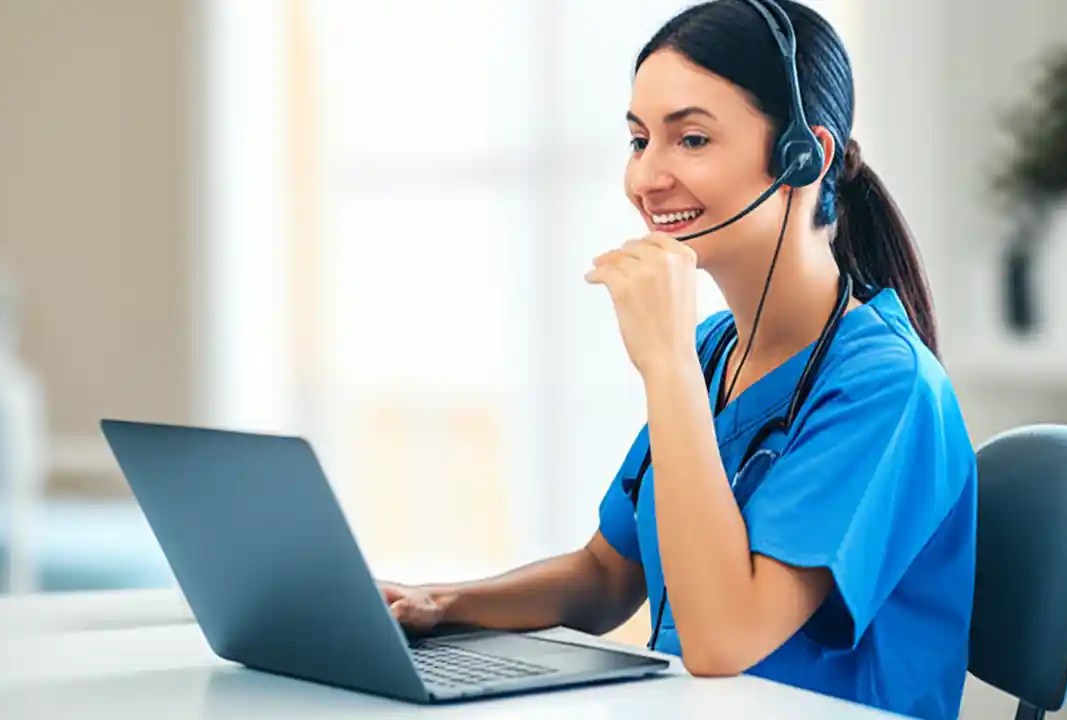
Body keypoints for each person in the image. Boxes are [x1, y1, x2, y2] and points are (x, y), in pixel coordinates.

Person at [380, 2, 977, 718]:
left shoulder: (886, 385)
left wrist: (663, 362)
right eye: (638, 141)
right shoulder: (715, 348)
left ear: (803, 157)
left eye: (691, 139)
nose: (646, 179)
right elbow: (606, 575)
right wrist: (443, 603)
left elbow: (724, 642)